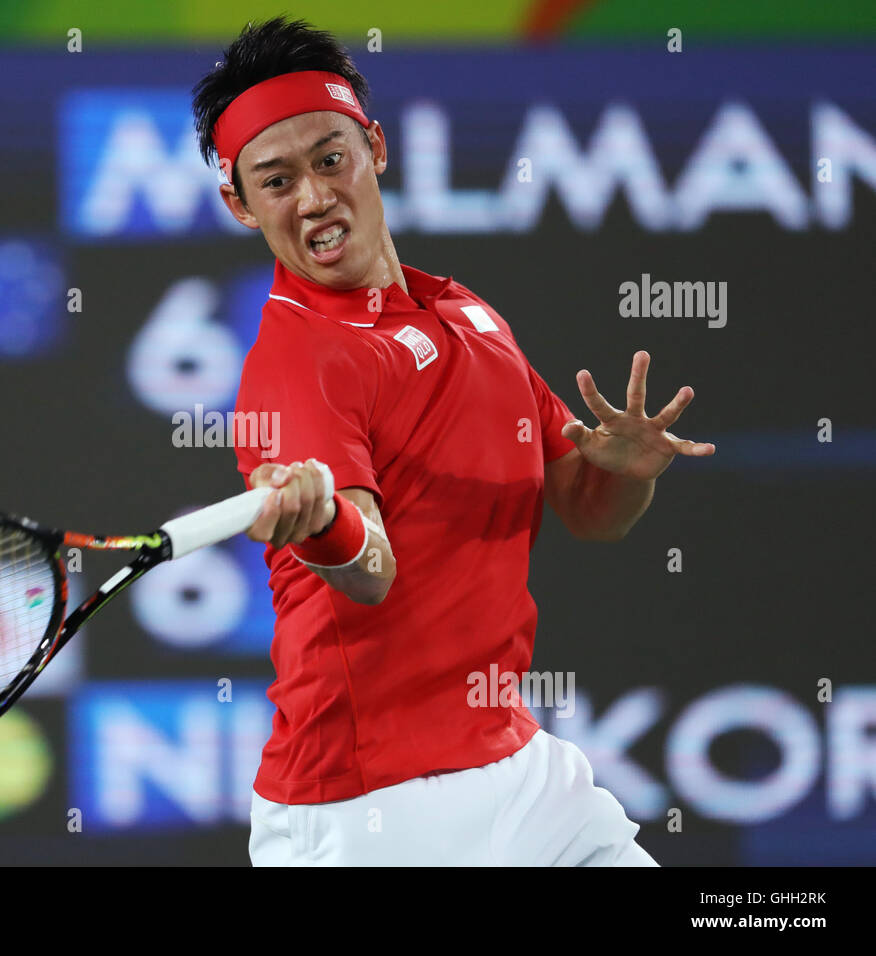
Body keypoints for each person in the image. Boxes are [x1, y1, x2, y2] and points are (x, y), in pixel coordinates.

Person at [191, 16, 715, 866]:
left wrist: (627, 473)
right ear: (240, 205)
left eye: (332, 159)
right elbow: (369, 570)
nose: (316, 197)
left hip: (523, 769)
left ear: (376, 149)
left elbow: (590, 512)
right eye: (277, 180)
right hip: (370, 808)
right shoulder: (300, 361)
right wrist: (323, 522)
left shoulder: (464, 312)